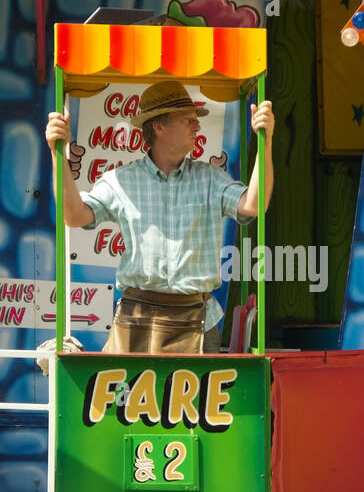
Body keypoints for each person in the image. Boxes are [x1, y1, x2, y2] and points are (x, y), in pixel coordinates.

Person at [47, 79, 274, 354]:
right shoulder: (121, 180)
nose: (197, 126)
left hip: (198, 320)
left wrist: (265, 142)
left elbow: (254, 204)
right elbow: (73, 216)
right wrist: (58, 153)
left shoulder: (210, 179)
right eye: (188, 119)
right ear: (159, 126)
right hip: (136, 320)